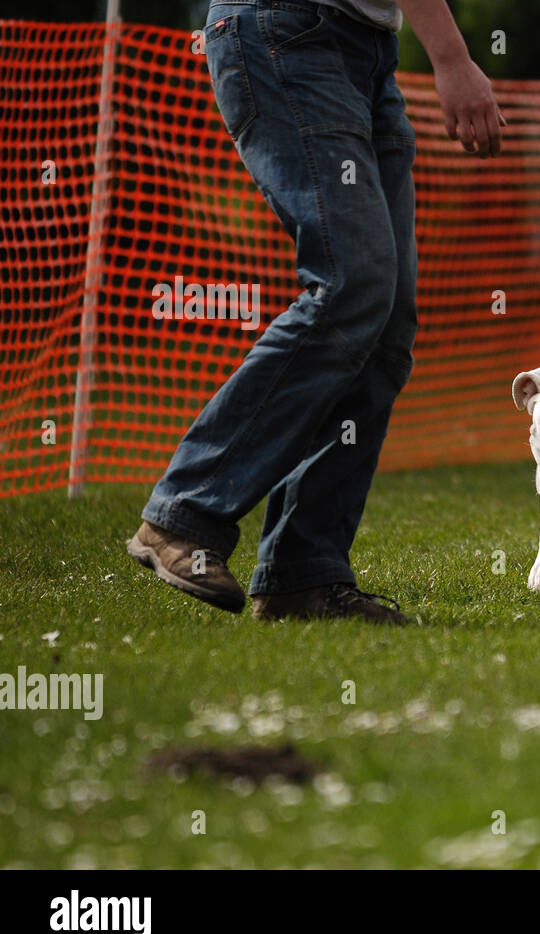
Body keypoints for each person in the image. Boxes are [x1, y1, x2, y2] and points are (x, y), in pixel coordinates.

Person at [127, 0, 503, 625]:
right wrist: (453, 58)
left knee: (386, 322)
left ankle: (302, 574)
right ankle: (184, 513)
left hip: (364, 51)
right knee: (351, 286)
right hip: (286, 30)